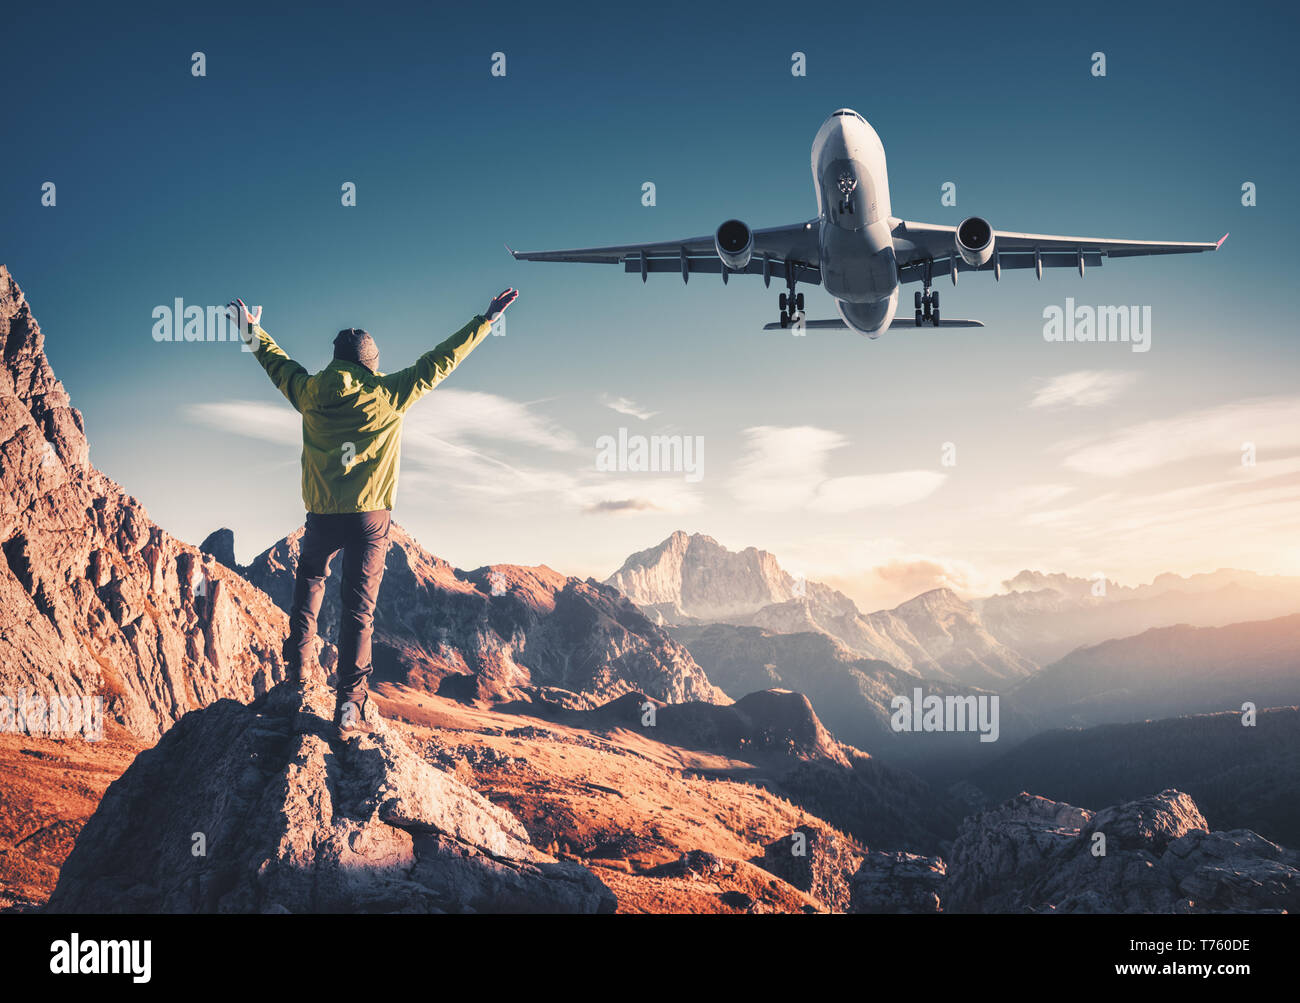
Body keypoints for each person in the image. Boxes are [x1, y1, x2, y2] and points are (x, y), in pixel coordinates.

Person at [228, 289, 519, 737]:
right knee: (357, 611)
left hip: (322, 514)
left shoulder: (308, 392)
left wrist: (250, 328)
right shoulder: (389, 392)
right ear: (370, 363)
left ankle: (298, 673)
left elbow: (275, 362)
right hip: (370, 518)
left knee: (308, 587)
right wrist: (485, 320)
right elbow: (441, 361)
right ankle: (350, 705)